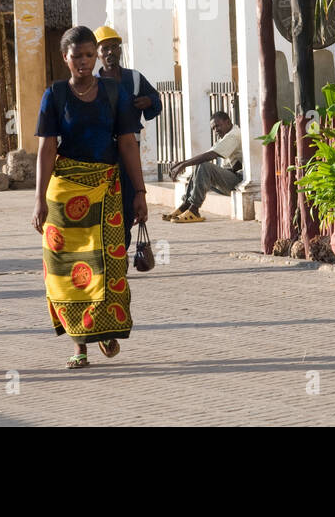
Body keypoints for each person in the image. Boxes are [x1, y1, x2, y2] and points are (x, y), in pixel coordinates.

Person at [31, 26, 148, 369]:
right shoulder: (54, 95)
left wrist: (140, 191)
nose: (83, 62)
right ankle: (79, 345)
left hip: (108, 191)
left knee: (110, 265)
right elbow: (46, 148)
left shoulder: (114, 92)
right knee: (67, 271)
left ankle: (105, 327)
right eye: (75, 56)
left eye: (88, 54)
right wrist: (38, 200)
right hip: (64, 195)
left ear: (95, 55)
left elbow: (127, 142)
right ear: (64, 58)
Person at [93, 25, 162, 190]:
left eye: (114, 47)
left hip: (132, 144)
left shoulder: (135, 77)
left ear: (120, 50)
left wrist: (149, 101)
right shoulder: (93, 84)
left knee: (130, 189)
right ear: (97, 54)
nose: (110, 52)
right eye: (105, 48)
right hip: (103, 148)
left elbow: (156, 100)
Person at [164, 110, 243, 223]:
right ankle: (186, 206)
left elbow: (211, 155)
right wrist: (183, 163)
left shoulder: (233, 135)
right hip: (232, 177)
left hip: (238, 180)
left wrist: (184, 164)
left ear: (228, 122)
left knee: (205, 166)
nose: (216, 130)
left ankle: (194, 209)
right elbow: (206, 154)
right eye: (213, 128)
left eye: (218, 126)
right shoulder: (226, 137)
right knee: (199, 167)